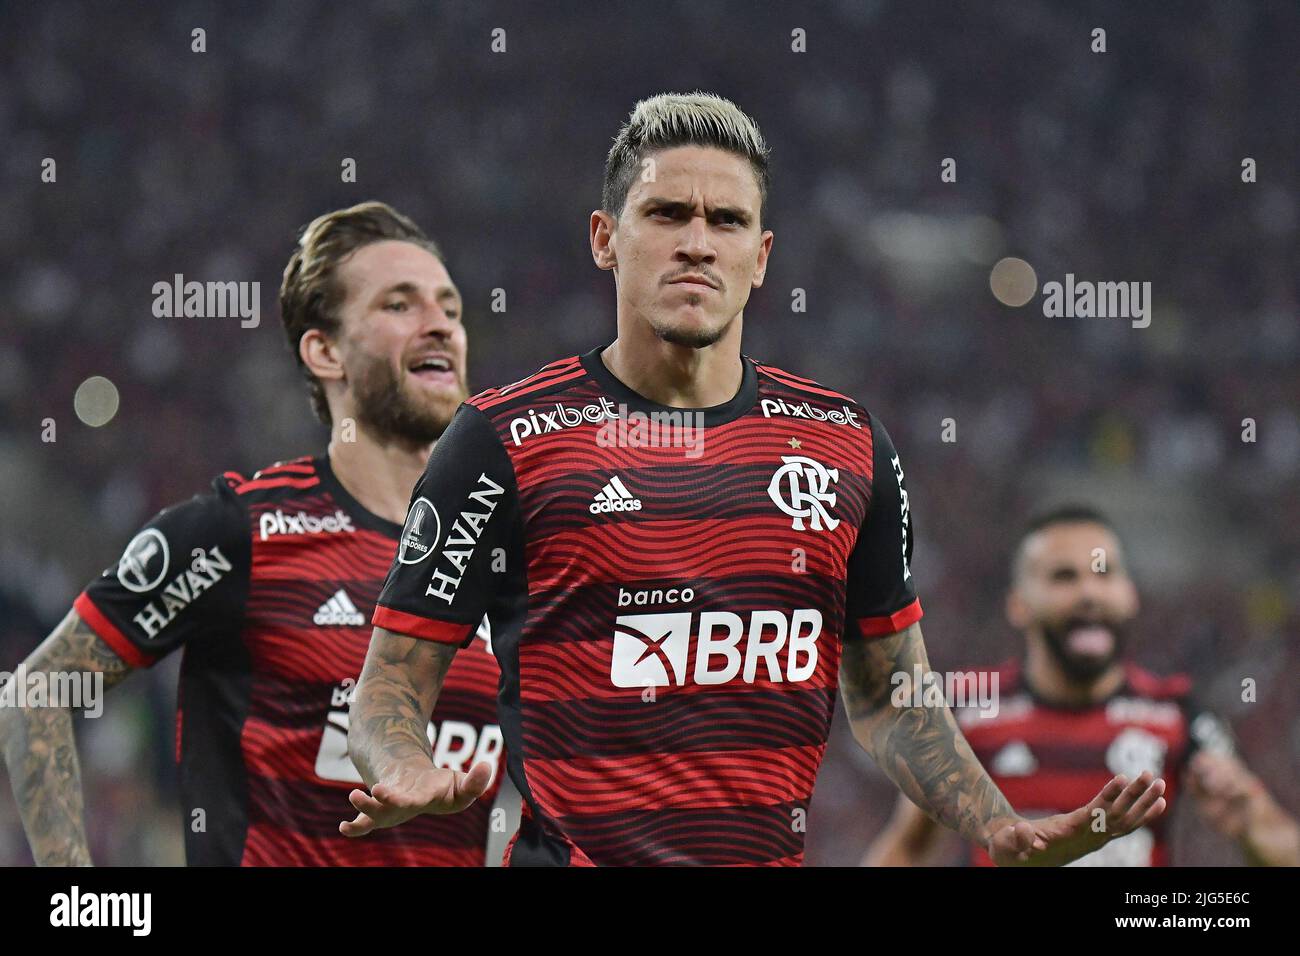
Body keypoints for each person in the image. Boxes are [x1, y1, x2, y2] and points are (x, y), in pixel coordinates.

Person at [342, 93, 1166, 866]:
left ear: (761, 256)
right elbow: (390, 686)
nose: (697, 241)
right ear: (605, 238)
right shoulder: (502, 441)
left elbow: (891, 697)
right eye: (666, 214)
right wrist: (405, 764)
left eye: (727, 221)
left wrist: (1001, 827)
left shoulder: (846, 444)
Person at [0, 201, 505, 866]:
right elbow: (37, 696)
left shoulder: (507, 560)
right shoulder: (240, 533)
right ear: (325, 350)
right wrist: (77, 898)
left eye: (450, 307)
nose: (439, 324)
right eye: (400, 305)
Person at [863, 505, 1299, 867]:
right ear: (1018, 604)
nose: (1089, 592)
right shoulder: (965, 709)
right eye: (1063, 578)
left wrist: (1248, 827)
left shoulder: (1180, 714)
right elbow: (907, 850)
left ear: (1130, 594)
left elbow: (1274, 837)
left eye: (1104, 573)